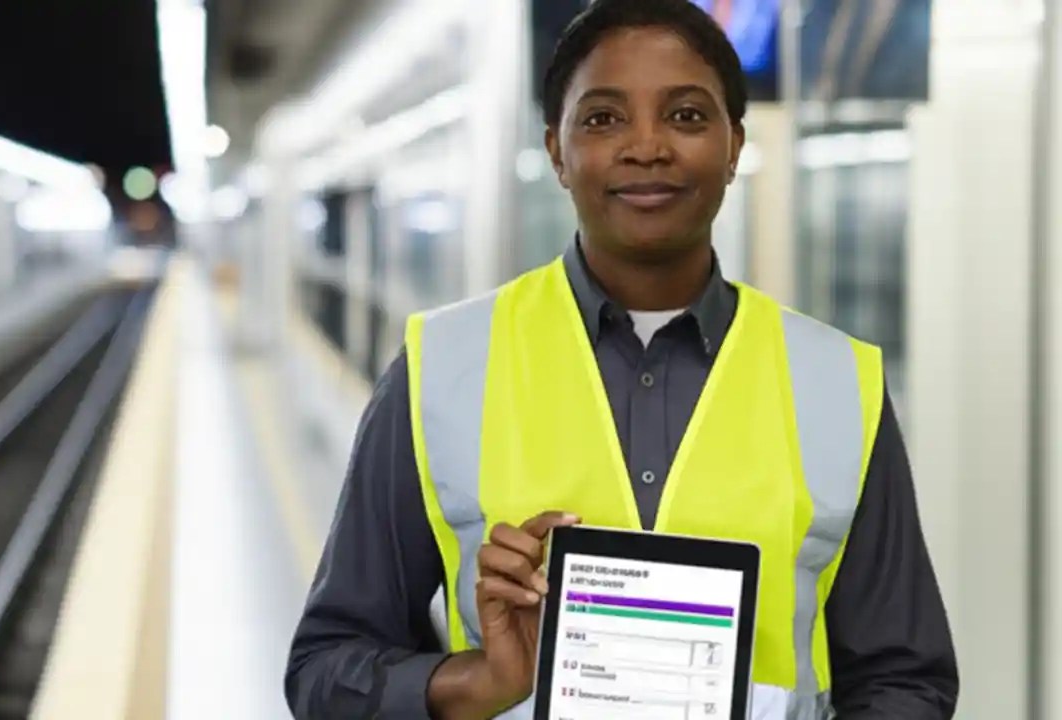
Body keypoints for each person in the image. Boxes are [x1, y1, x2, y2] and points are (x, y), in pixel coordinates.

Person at [285, 0, 958, 717]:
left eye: (688, 117)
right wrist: (481, 680)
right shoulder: (439, 368)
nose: (647, 146)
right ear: (557, 151)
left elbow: (904, 680)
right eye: (604, 118)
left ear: (734, 145)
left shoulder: (837, 382)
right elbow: (327, 669)